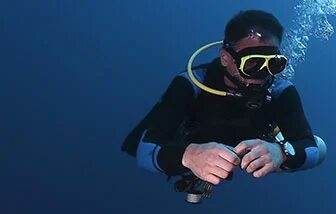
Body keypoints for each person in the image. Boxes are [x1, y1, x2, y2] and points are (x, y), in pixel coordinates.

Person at [122, 10, 325, 198]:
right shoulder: (192, 84)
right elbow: (143, 149)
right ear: (226, 58)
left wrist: (282, 153)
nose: (263, 75)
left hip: (259, 152)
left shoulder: (281, 91)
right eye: (253, 63)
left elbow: (312, 148)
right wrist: (188, 155)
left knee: (319, 146)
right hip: (193, 148)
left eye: (273, 64)